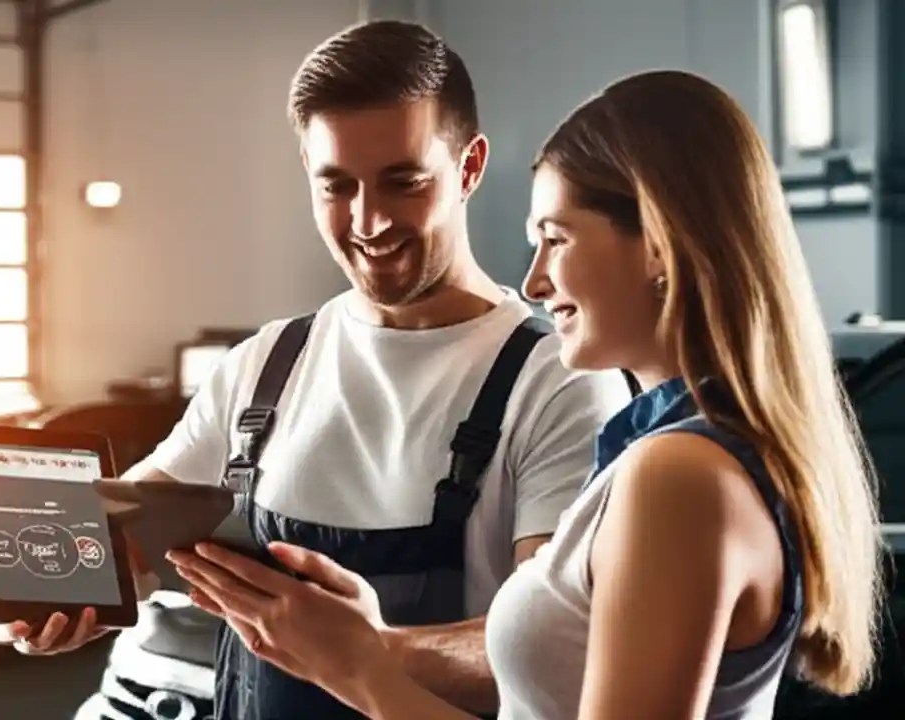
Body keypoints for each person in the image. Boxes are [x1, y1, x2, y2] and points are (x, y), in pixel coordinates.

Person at [0, 19, 632, 720]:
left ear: (469, 167)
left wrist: (372, 652)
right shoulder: (266, 364)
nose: (369, 221)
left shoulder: (558, 380)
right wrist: (43, 589)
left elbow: (561, 653)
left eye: (404, 182)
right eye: (337, 186)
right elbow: (129, 538)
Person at [171, 69, 886, 719]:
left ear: (658, 244)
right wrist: (377, 644)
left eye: (557, 239)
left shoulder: (679, 478)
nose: (536, 281)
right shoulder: (670, 462)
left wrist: (358, 672)